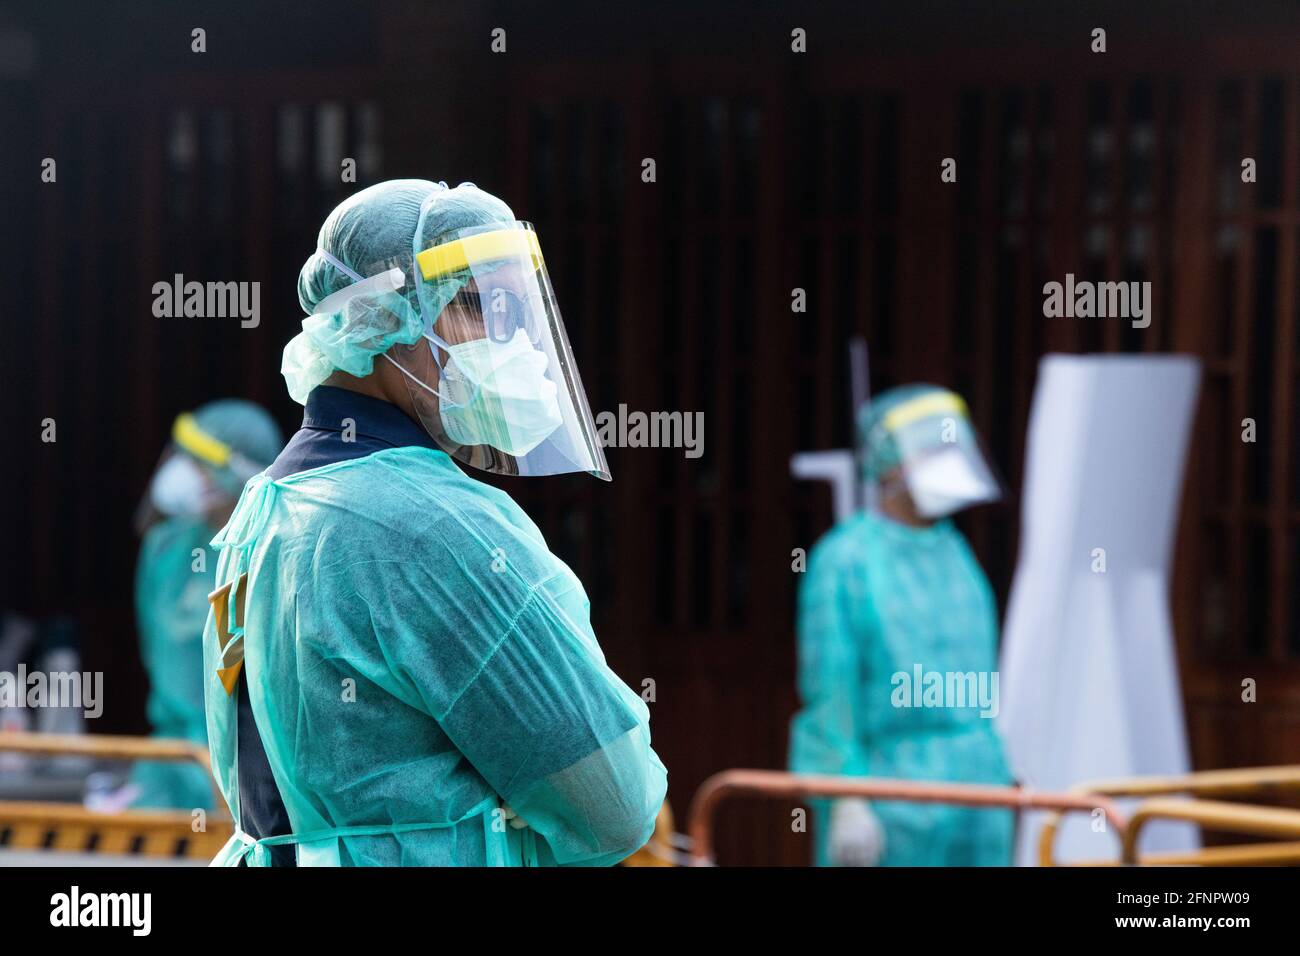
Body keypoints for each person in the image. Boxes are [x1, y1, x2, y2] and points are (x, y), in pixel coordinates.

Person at [203, 179, 666, 866]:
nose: (509, 341)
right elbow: (614, 805)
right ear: (380, 317)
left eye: (518, 312)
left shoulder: (261, 506)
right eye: (477, 306)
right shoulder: (431, 527)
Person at [788, 384, 1014, 866]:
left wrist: (998, 762)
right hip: (894, 796)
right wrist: (845, 795)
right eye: (933, 450)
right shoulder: (847, 560)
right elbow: (831, 696)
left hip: (980, 790)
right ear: (890, 464)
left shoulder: (954, 550)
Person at [130, 400, 283, 810]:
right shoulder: (164, 549)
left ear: (238, 474)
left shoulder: (273, 553)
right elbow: (153, 650)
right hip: (168, 763)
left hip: (250, 769)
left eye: (199, 461)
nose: (180, 470)